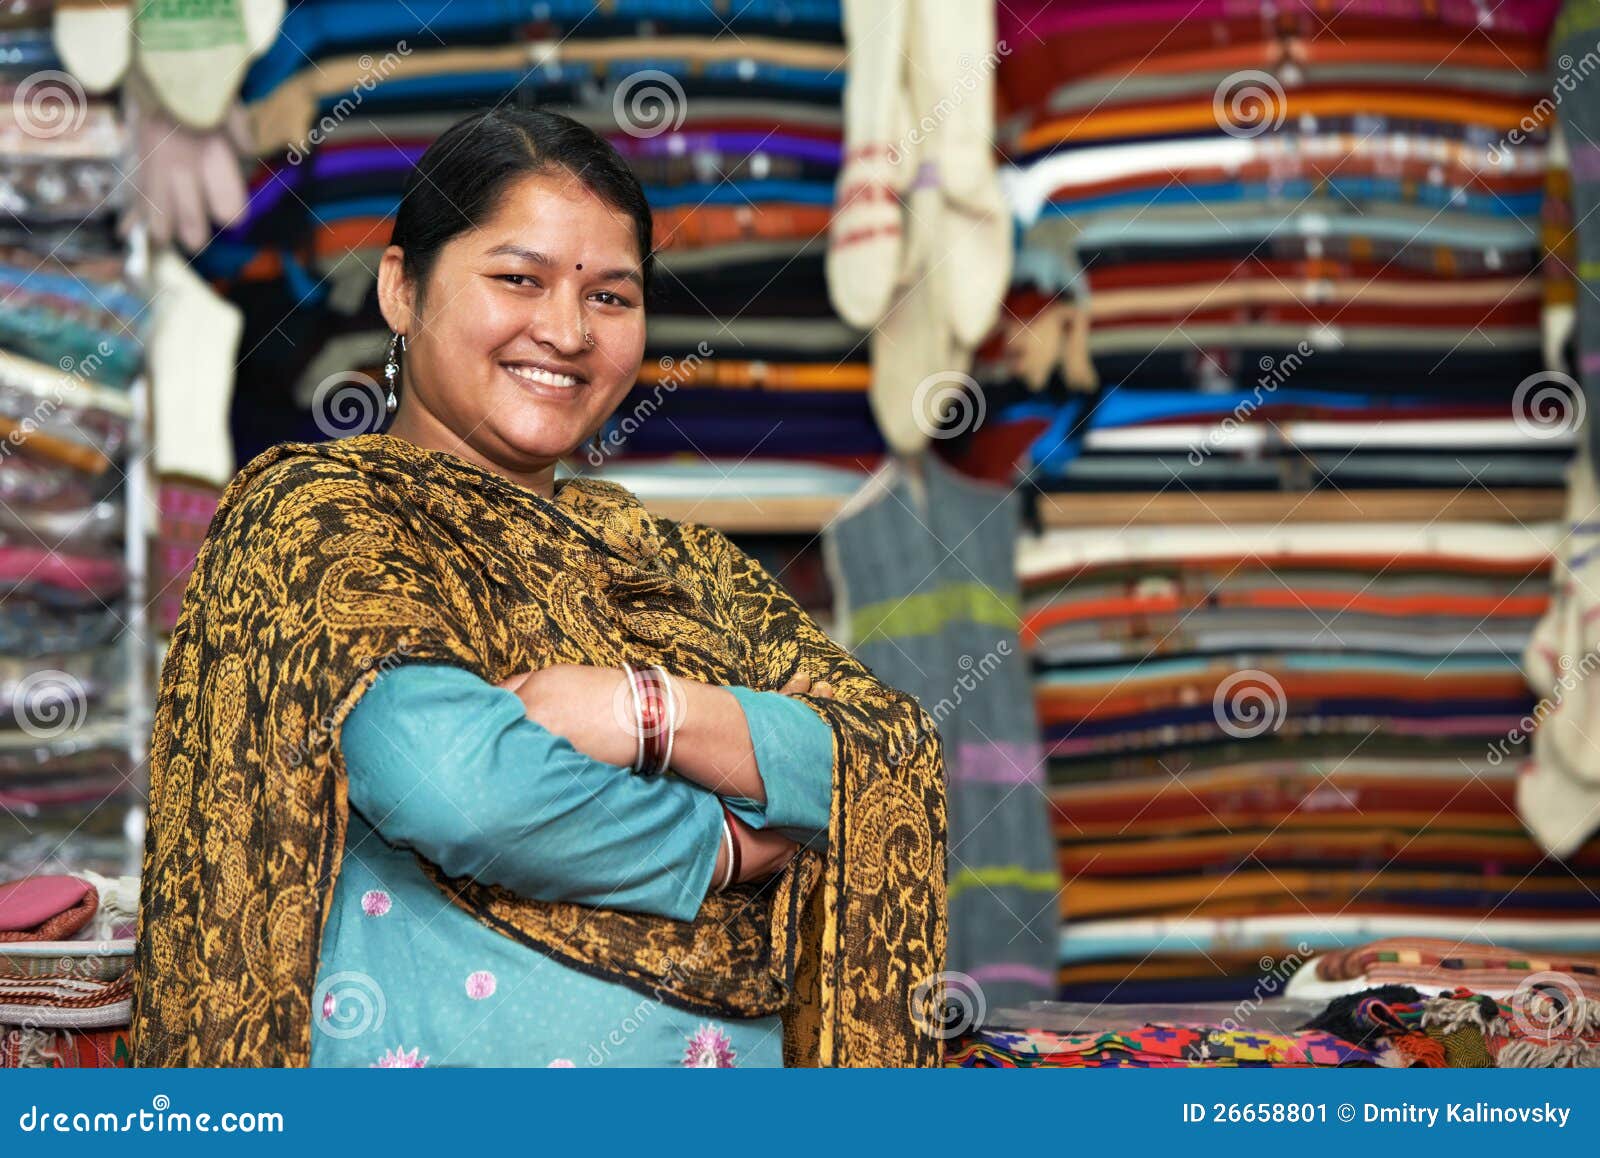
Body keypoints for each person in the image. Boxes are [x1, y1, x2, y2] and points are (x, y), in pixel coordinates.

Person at [129, 107, 948, 1068]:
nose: (566, 331)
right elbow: (456, 785)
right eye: (519, 279)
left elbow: (883, 751)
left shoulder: (674, 562)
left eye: (610, 296)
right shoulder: (320, 515)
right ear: (401, 288)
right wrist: (724, 843)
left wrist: (644, 712)